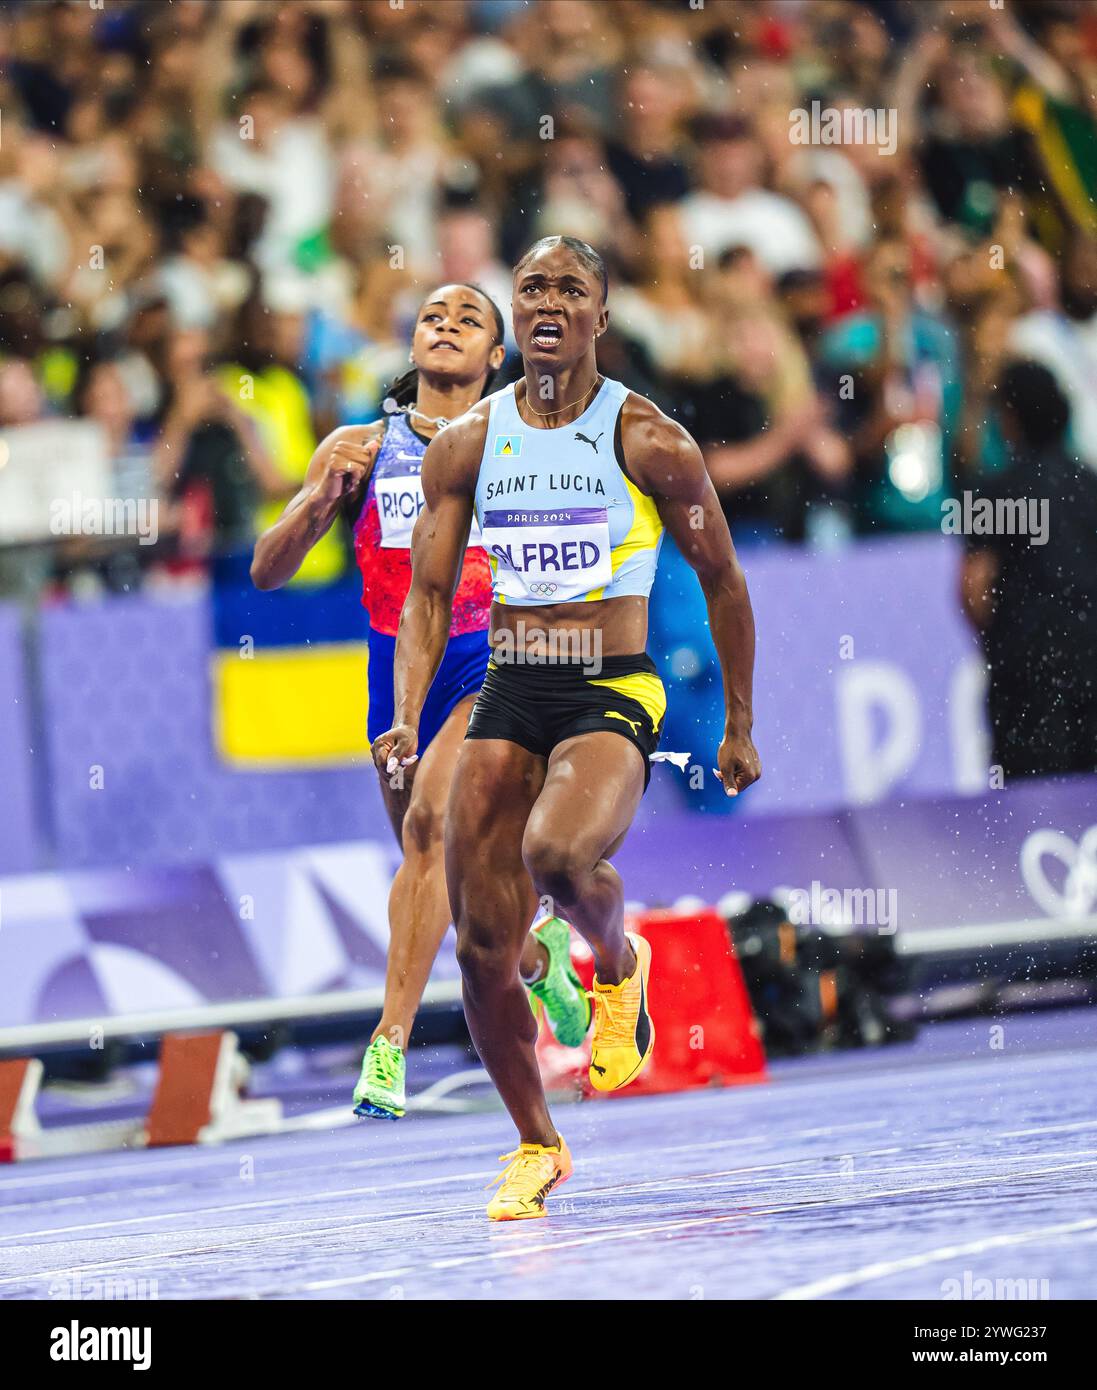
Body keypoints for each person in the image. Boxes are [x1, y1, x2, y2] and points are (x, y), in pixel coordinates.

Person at [372, 237, 761, 1218]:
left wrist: (740, 723)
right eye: (532, 287)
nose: (548, 303)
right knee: (481, 939)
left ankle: (618, 969)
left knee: (552, 853)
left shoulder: (649, 439)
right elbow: (423, 598)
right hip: (509, 687)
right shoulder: (468, 443)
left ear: (601, 310)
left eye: (569, 289)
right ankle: (536, 1144)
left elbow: (721, 580)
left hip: (607, 686)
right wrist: (409, 713)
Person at [251, 282, 590, 1120]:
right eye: (431, 318)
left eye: (468, 320)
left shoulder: (524, 440)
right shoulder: (358, 446)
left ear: (495, 357)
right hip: (396, 672)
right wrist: (320, 502)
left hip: (495, 662)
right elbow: (267, 568)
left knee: (429, 826)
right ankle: (542, 962)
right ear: (411, 349)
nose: (446, 327)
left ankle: (387, 1047)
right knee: (458, 887)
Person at [961, 360, 1097, 779]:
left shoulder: (994, 491)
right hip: (1090, 657)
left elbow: (973, 586)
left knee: (1029, 795)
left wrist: (1004, 642)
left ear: (1011, 417)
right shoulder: (1089, 483)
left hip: (1026, 669)